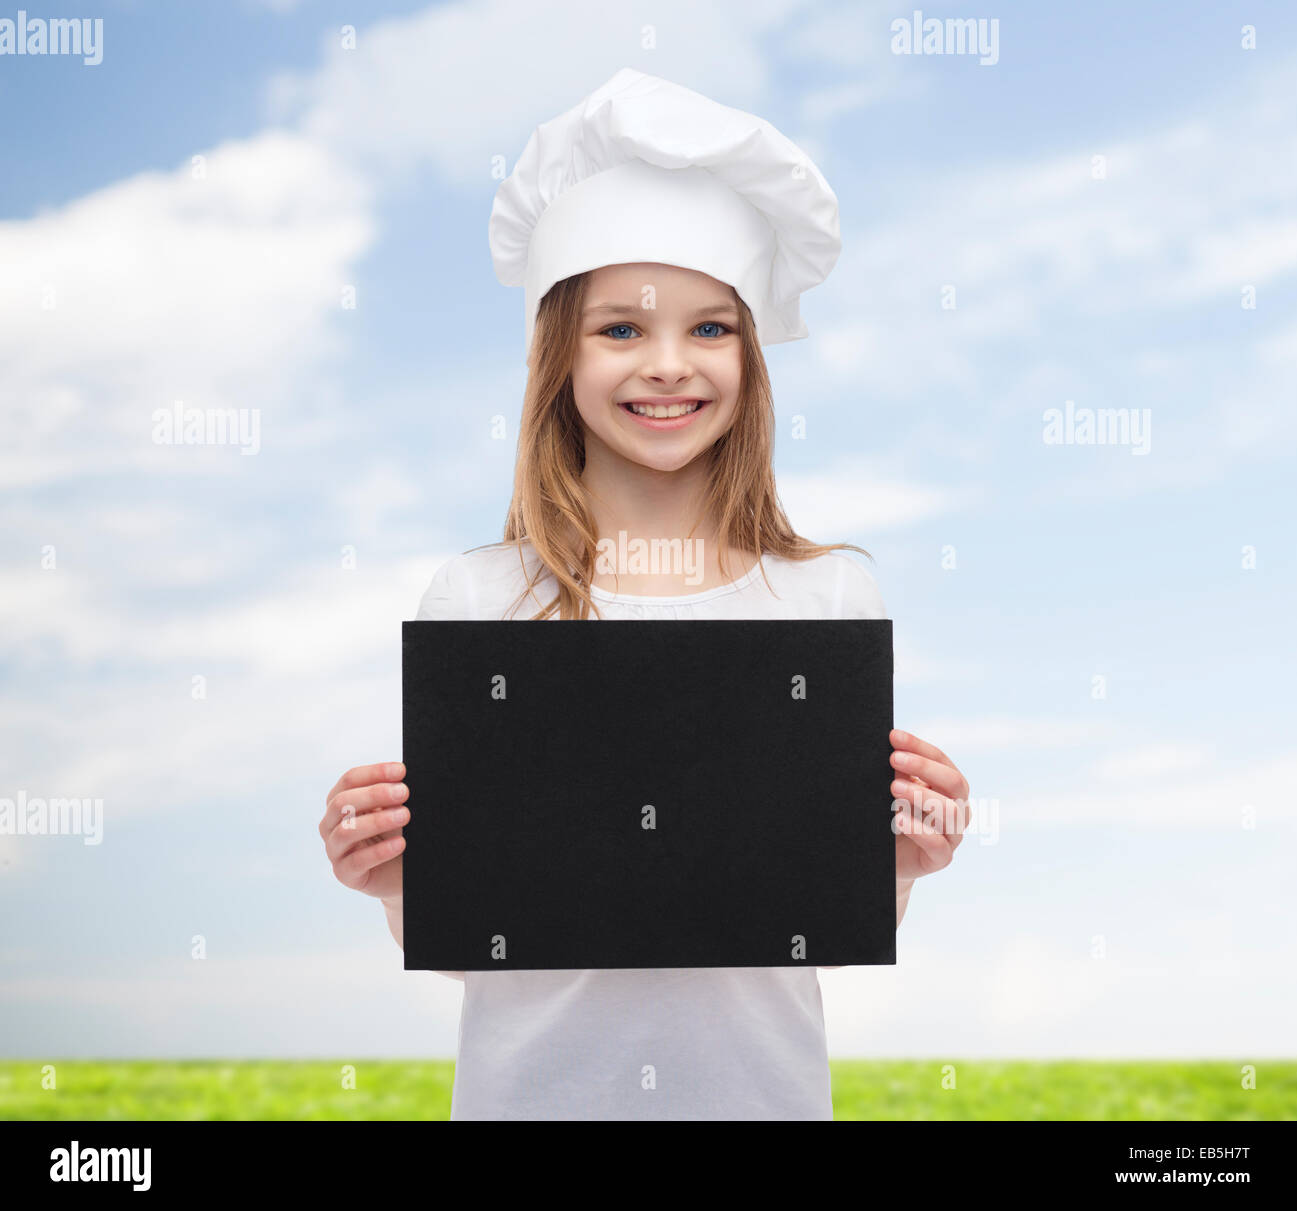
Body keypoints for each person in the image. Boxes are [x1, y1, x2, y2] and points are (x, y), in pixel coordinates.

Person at [318, 68, 971, 1120]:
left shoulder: (826, 595)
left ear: (751, 358)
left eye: (710, 328)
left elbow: (802, 927)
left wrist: (899, 861)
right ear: (558, 358)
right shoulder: (479, 597)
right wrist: (393, 881)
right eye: (620, 328)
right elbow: (483, 941)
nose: (668, 366)